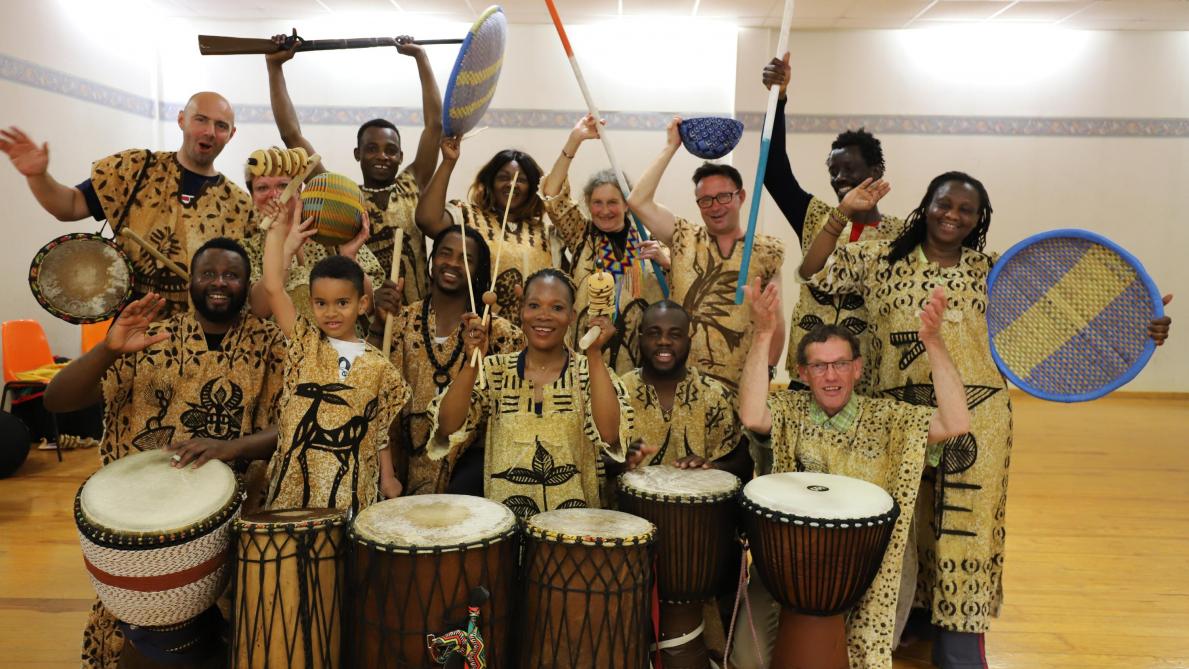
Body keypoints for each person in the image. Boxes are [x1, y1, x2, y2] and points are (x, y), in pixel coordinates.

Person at [797, 173, 1173, 668]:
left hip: (980, 417)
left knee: (964, 525)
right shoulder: (879, 258)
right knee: (901, 524)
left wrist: (1137, 321)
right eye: (943, 203)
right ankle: (903, 621)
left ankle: (959, 643)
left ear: (979, 219)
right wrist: (842, 214)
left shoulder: (994, 273)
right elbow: (811, 271)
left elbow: (1066, 322)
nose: (952, 215)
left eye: (966, 210)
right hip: (898, 415)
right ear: (925, 206)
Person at [43, 238, 286, 669]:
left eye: (231, 275)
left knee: (229, 640)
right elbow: (56, 401)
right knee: (144, 638)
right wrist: (107, 350)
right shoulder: (152, 336)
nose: (218, 283)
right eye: (208, 273)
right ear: (189, 281)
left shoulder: (270, 342)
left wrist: (231, 448)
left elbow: (295, 421)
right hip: (144, 528)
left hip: (237, 524)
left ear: (248, 285)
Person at [737, 278, 971, 669]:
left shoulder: (889, 418)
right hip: (786, 565)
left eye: (841, 364)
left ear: (857, 369)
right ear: (804, 372)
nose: (831, 376)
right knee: (748, 660)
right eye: (820, 366)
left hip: (868, 571)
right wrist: (763, 333)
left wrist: (934, 342)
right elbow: (751, 414)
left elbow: (956, 421)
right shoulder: (789, 410)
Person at [1, 93, 255, 316]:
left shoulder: (241, 206)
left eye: (221, 125)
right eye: (200, 119)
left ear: (231, 135)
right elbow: (68, 206)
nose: (210, 131)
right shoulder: (135, 170)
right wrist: (37, 176)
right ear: (182, 120)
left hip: (201, 346)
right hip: (129, 336)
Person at [428, 269, 632, 519]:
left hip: (573, 536)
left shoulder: (590, 372)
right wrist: (473, 362)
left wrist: (594, 354)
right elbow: (447, 426)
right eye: (534, 305)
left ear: (572, 316)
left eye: (557, 308)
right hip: (506, 532)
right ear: (521, 311)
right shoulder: (494, 371)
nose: (544, 316)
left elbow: (609, 434)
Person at [615, 299, 752, 667]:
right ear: (639, 338)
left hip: (696, 541)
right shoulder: (617, 392)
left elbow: (742, 460)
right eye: (655, 333)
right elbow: (597, 457)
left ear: (689, 340)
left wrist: (714, 465)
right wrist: (621, 461)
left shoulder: (715, 394)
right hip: (628, 534)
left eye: (675, 334)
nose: (664, 342)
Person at [761, 54, 907, 393]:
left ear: (875, 173)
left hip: (864, 374)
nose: (840, 178)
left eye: (849, 170)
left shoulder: (900, 233)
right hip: (809, 370)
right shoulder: (814, 215)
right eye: (833, 171)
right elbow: (774, 172)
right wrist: (778, 100)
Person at [266, 33, 442, 304]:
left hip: (416, 321)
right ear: (357, 154)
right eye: (372, 148)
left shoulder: (412, 184)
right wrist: (274, 67)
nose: (382, 155)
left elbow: (435, 126)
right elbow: (292, 136)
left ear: (400, 156)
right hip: (363, 320)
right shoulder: (341, 196)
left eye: (390, 150)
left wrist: (421, 57)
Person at [260, 199, 410, 513]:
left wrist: (389, 477)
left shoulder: (378, 366)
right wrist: (276, 232)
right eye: (321, 303)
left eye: (342, 303)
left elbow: (379, 428)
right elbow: (274, 287)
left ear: (363, 305)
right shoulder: (305, 342)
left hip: (350, 494)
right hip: (295, 492)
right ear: (311, 304)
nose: (331, 312)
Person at [627, 117, 785, 390]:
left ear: (741, 197)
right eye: (705, 200)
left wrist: (765, 374)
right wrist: (670, 147)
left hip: (741, 384)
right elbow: (637, 201)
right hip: (681, 384)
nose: (715, 207)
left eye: (724, 196)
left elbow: (776, 322)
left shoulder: (766, 252)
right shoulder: (685, 237)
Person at [369, 225, 523, 495]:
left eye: (466, 259)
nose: (452, 263)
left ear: (479, 270)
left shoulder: (501, 335)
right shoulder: (399, 321)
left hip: (470, 484)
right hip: (398, 476)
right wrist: (378, 324)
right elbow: (369, 385)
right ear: (432, 261)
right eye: (445, 253)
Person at [539, 114, 670, 374]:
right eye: (597, 203)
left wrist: (666, 262)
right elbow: (552, 194)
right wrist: (575, 140)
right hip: (585, 353)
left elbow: (675, 290)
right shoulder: (581, 234)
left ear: (626, 205)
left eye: (612, 202)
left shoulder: (648, 242)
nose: (605, 210)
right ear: (588, 204)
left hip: (638, 360)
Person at [416, 138, 553, 326]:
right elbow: (427, 220)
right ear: (490, 183)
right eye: (503, 177)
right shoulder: (467, 216)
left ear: (531, 188)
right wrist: (448, 162)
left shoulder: (546, 234)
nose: (511, 184)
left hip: (533, 335)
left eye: (521, 180)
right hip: (476, 331)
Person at [242, 160, 385, 332]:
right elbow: (258, 310)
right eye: (262, 188)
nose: (274, 194)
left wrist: (349, 258)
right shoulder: (249, 248)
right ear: (252, 195)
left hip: (342, 352)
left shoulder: (336, 231)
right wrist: (287, 251)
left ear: (299, 189)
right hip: (282, 352)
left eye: (283, 185)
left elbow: (370, 306)